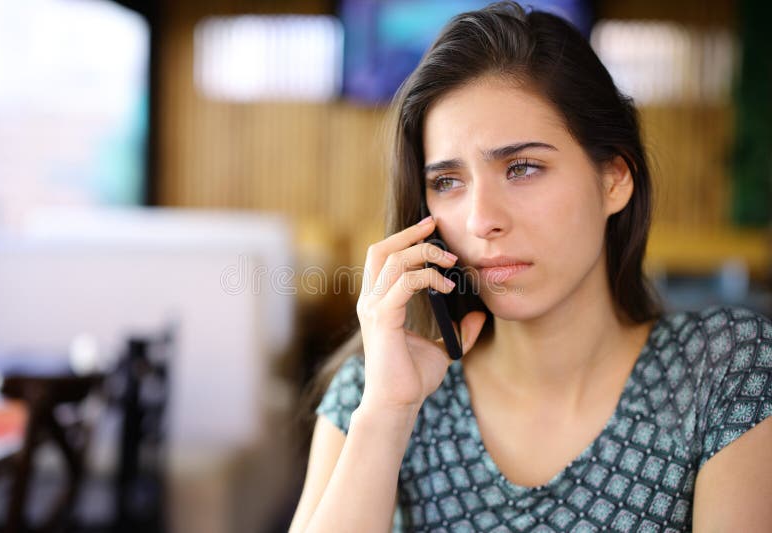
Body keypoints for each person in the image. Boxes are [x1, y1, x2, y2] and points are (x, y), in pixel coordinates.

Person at [288, 2, 772, 531]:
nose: (480, 220)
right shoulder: (376, 387)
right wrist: (387, 413)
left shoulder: (725, 368)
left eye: (522, 168)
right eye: (447, 182)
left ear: (614, 180)